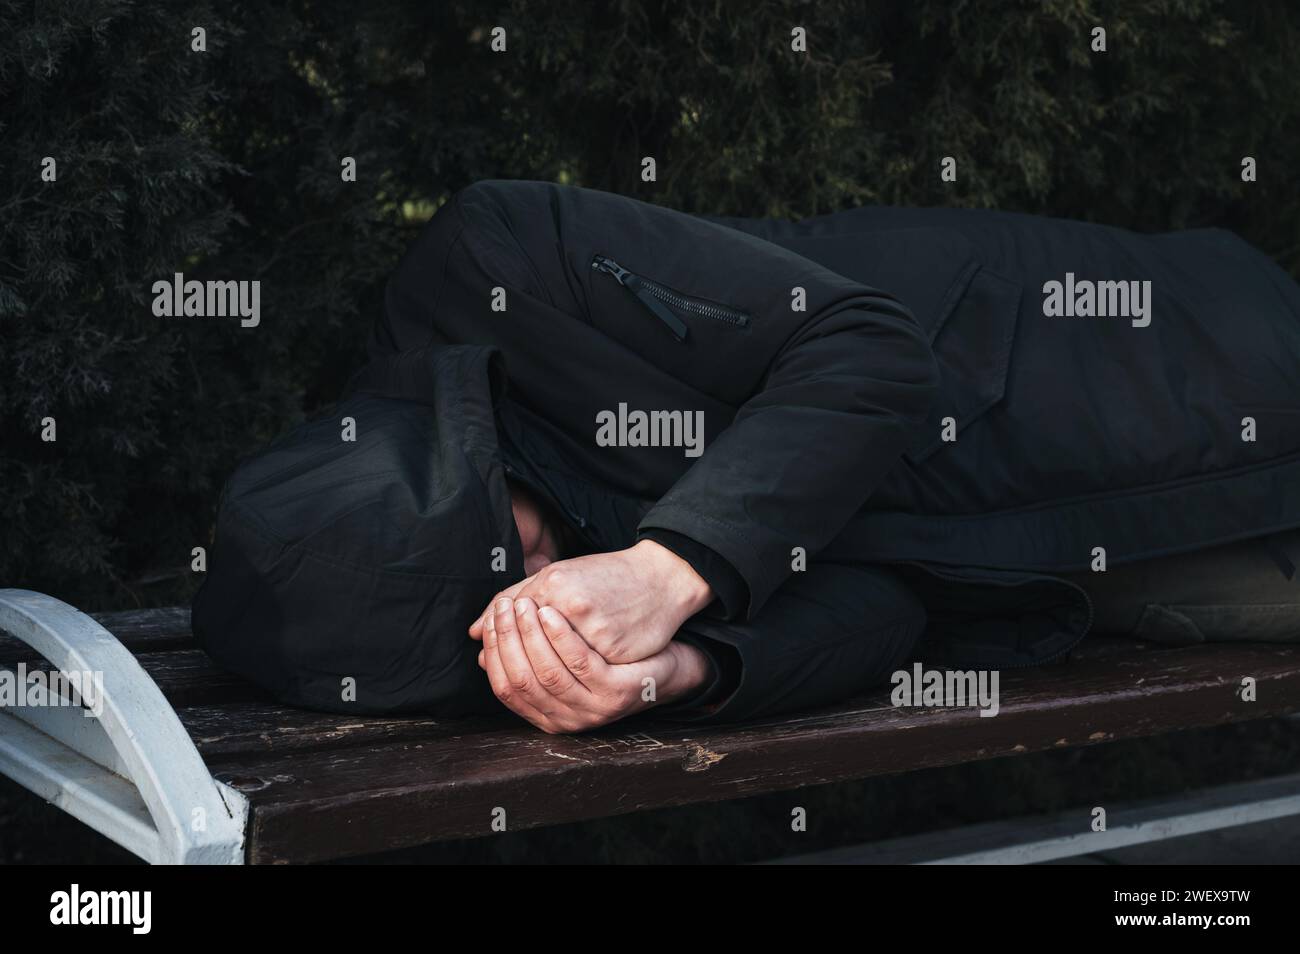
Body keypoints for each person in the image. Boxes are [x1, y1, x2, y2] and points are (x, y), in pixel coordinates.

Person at [194, 179, 1300, 733]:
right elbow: (889, 610)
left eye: (518, 564)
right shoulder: (498, 613)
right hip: (1064, 559)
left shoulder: (503, 256)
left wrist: (665, 569)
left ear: (463, 468)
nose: (552, 604)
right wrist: (685, 671)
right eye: (505, 622)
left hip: (1143, 367)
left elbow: (864, 347)